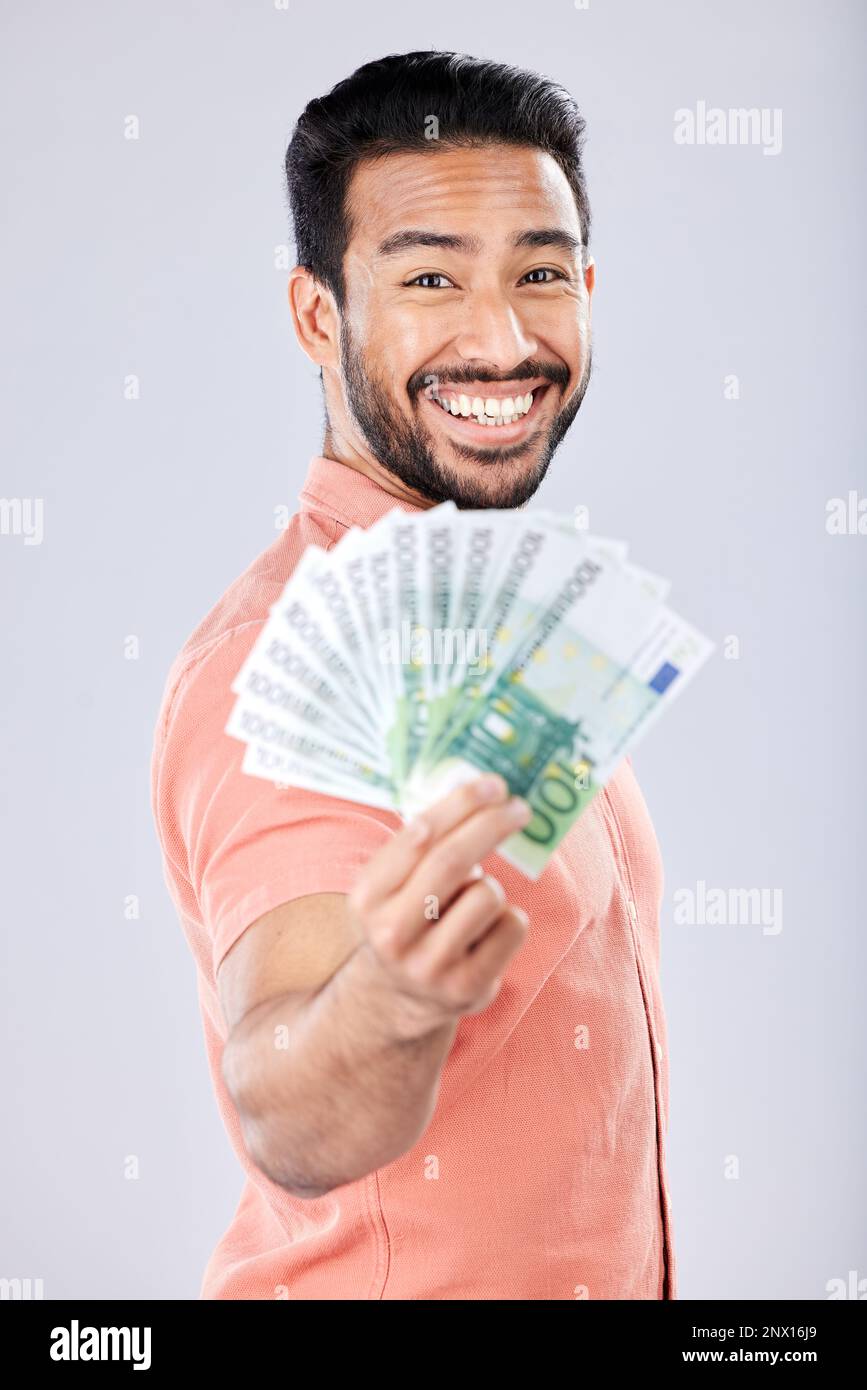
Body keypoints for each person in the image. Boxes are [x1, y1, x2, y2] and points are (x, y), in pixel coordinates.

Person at [151, 49, 676, 1300]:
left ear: (590, 289)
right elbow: (289, 1105)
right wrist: (382, 1000)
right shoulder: (283, 661)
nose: (500, 338)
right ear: (319, 316)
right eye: (431, 276)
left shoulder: (511, 614)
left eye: (539, 273)